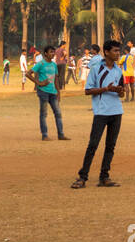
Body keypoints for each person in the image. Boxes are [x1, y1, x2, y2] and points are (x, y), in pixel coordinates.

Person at [73, 40, 125, 188]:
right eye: (115, 51)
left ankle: (104, 177)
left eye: (118, 51)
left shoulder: (118, 70)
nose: (117, 53)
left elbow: (121, 92)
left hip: (116, 111)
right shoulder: (96, 69)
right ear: (106, 52)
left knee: (110, 146)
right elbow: (87, 90)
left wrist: (120, 91)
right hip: (102, 112)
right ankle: (82, 177)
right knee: (93, 145)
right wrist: (105, 89)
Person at [27, 45, 68, 141]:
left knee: (58, 113)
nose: (53, 54)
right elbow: (28, 74)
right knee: (43, 114)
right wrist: (38, 83)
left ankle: (61, 134)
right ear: (45, 53)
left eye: (53, 52)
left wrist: (58, 92)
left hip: (53, 92)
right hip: (43, 92)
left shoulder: (54, 65)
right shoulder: (40, 64)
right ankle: (44, 135)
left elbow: (56, 79)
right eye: (51, 52)